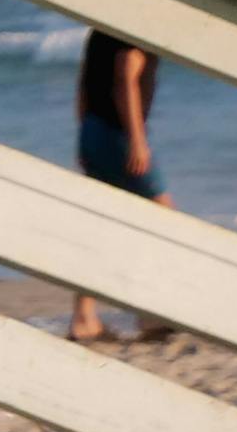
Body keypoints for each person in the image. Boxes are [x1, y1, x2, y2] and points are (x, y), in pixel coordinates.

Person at [68, 30, 169, 341]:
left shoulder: (99, 32)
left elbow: (83, 86)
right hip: (118, 135)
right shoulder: (134, 26)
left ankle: (84, 316)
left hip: (93, 131)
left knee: (100, 225)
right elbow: (125, 76)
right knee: (164, 218)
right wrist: (137, 141)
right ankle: (149, 313)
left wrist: (85, 136)